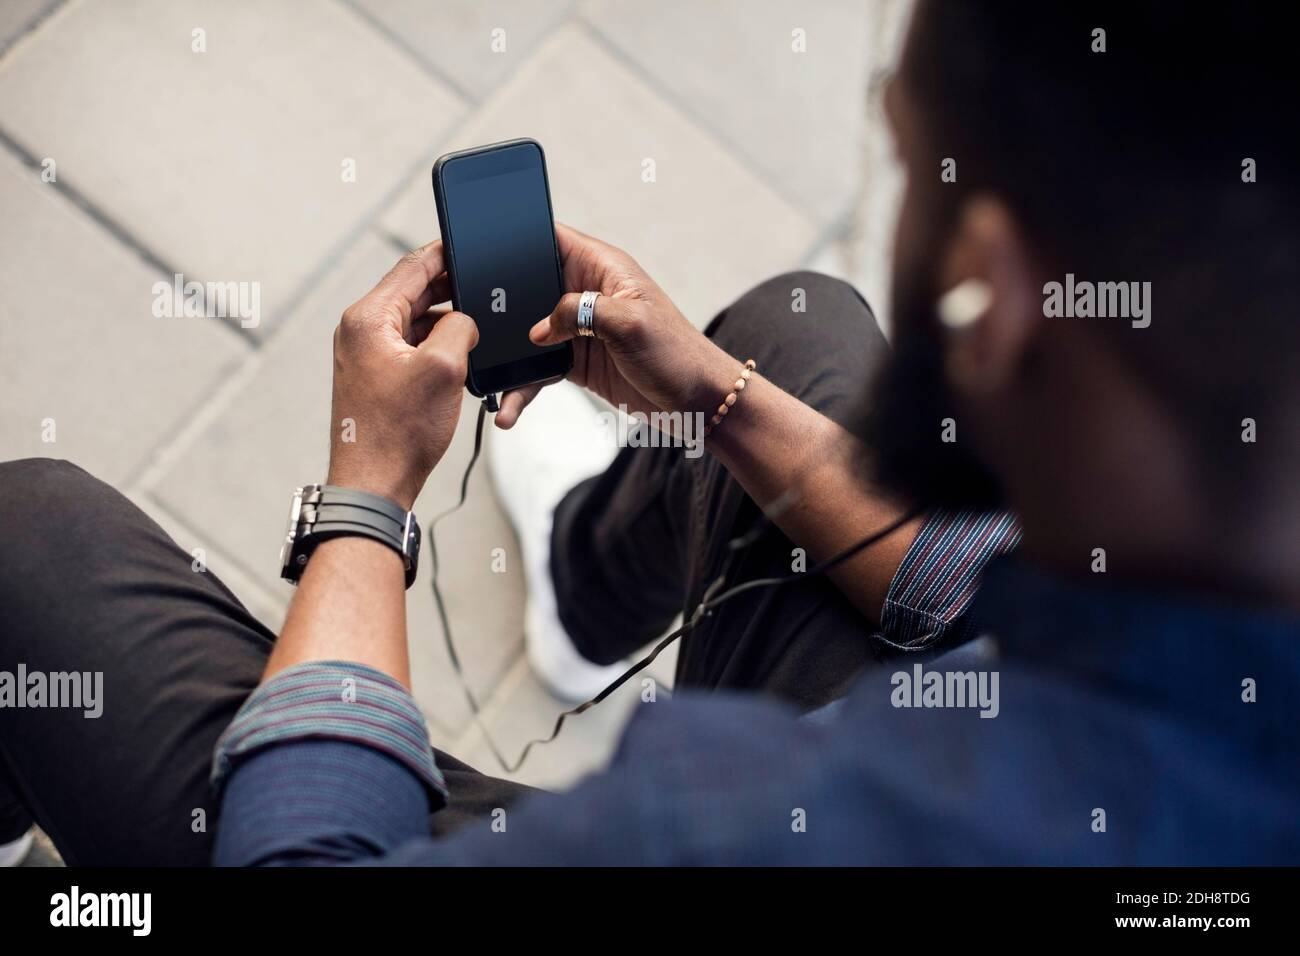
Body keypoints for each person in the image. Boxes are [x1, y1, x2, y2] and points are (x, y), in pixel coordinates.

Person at [2, 0, 1296, 865]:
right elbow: (975, 593)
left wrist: (370, 498)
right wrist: (706, 399)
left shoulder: (745, 820)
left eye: (918, 167)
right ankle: (577, 584)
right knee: (802, 327)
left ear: (996, 295)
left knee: (27, 548)